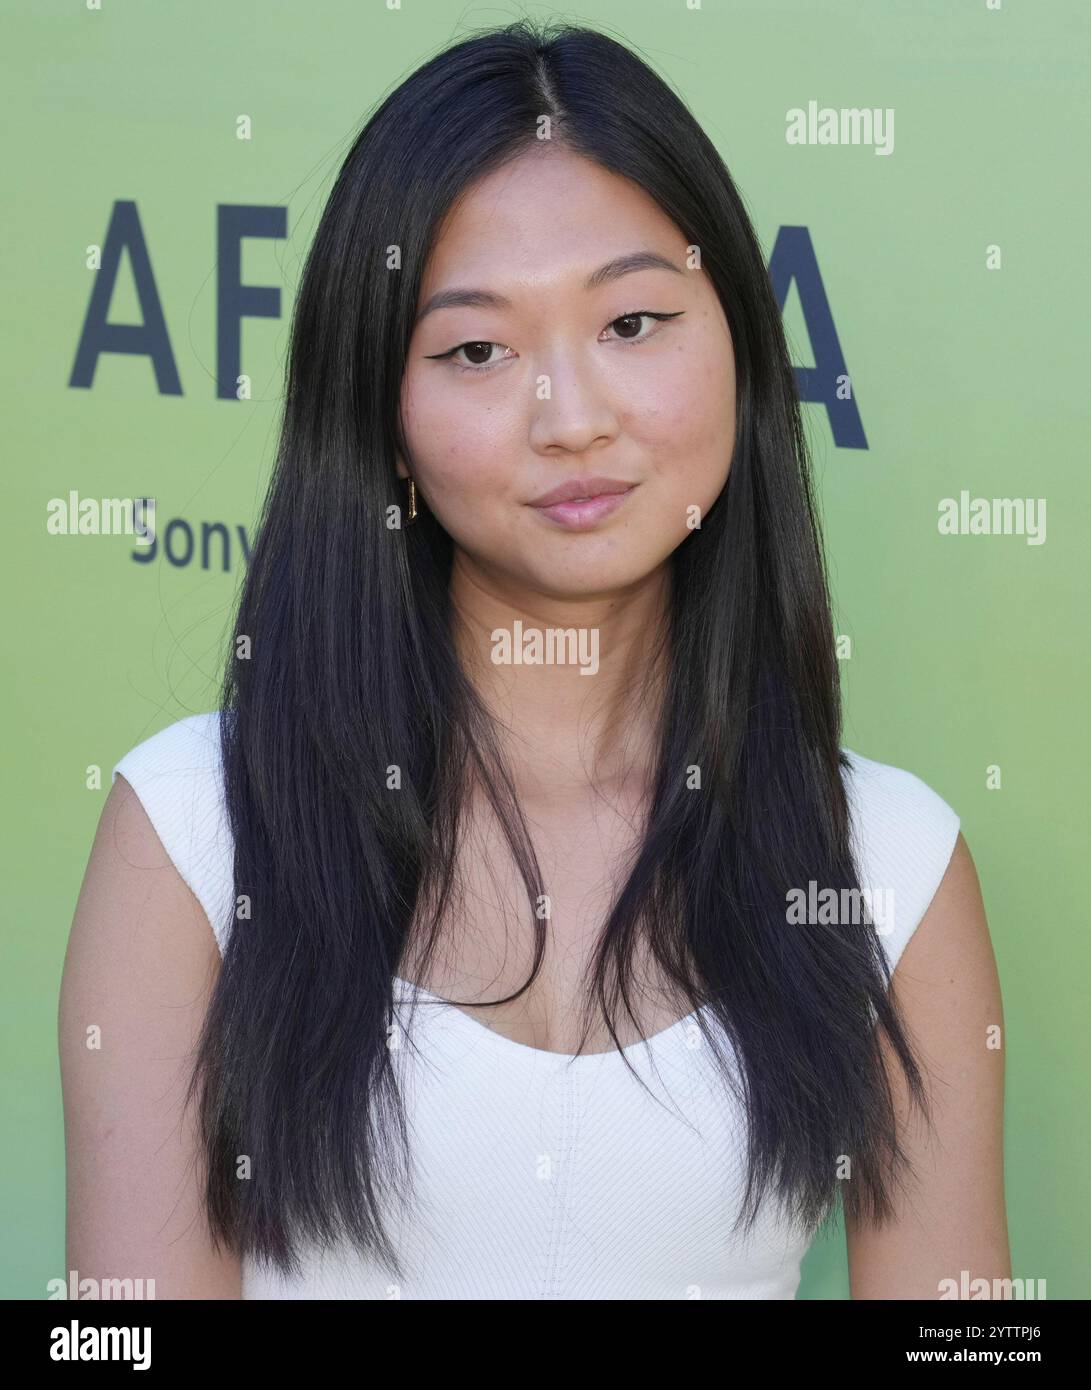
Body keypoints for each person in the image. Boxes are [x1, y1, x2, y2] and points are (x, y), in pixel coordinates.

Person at [60, 18, 1009, 1299]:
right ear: (381, 415)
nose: (570, 418)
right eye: (475, 350)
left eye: (630, 322)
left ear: (736, 350)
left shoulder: (886, 861)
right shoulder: (191, 831)